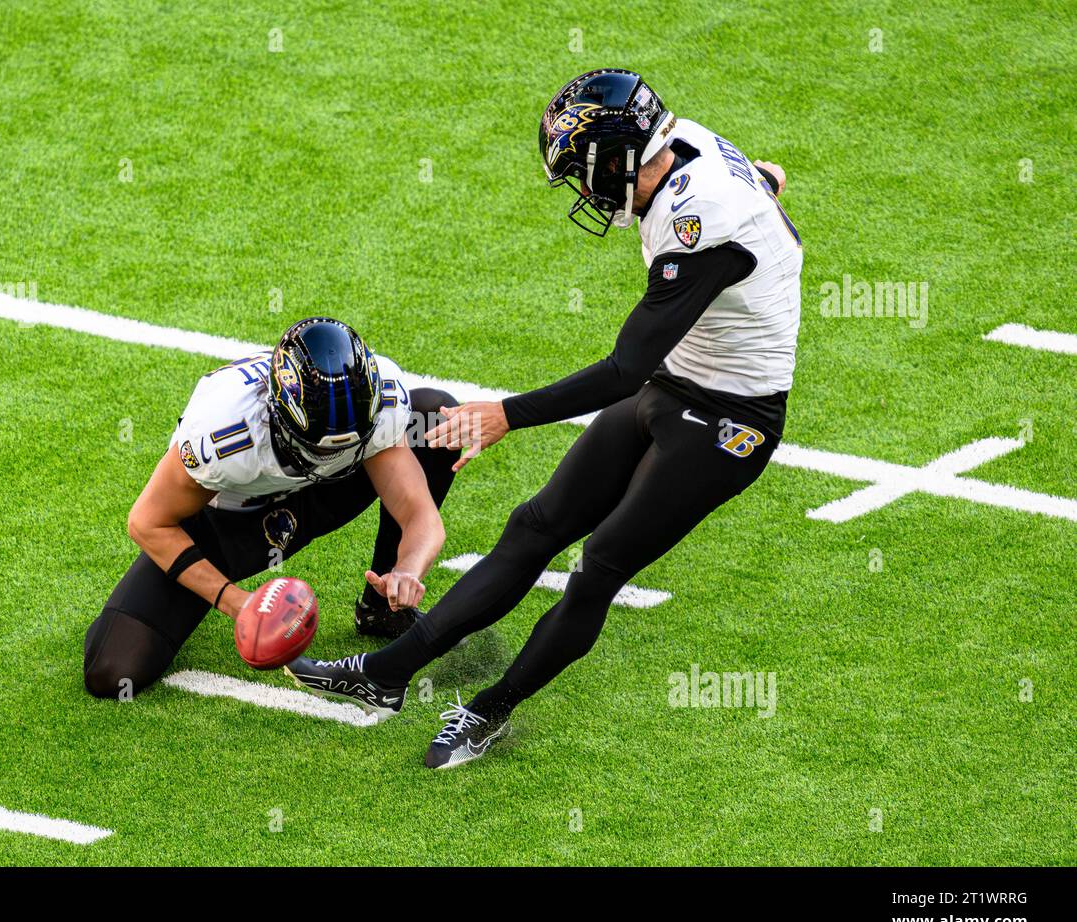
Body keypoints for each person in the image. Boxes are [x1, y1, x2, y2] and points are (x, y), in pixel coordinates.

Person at [286, 69, 802, 768]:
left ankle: (489, 710)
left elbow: (622, 367)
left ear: (617, 160)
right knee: (535, 526)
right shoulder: (681, 148)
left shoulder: (698, 214)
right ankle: (387, 675)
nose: (583, 191)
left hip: (731, 419)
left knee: (599, 565)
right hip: (676, 379)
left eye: (582, 173)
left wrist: (505, 414)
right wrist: (764, 195)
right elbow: (763, 180)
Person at [84, 317, 457, 699]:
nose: (335, 454)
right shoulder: (225, 432)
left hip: (321, 494)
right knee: (112, 671)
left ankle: (382, 608)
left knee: (436, 416)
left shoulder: (379, 401)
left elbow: (420, 515)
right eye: (321, 447)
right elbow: (147, 523)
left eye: (348, 445)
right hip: (229, 521)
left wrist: (406, 571)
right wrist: (238, 603)